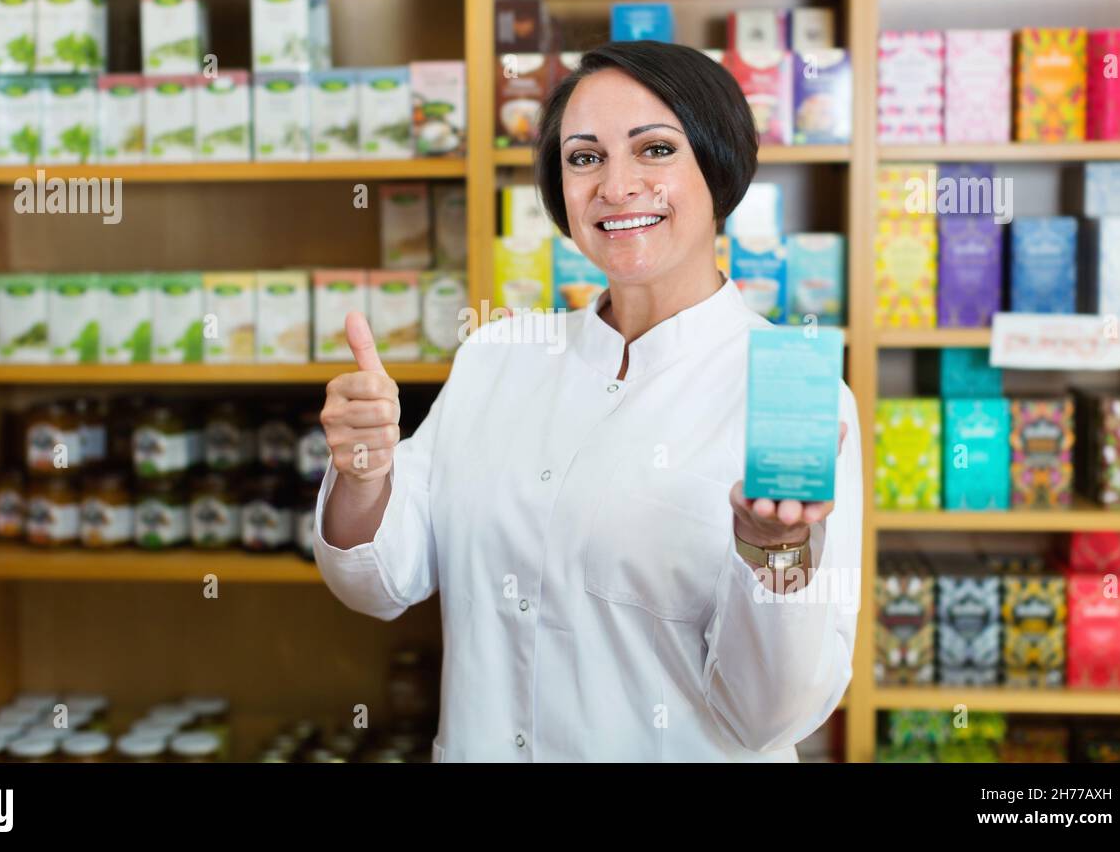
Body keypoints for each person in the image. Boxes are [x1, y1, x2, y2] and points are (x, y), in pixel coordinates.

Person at [315, 40, 861, 762]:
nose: (617, 185)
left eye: (656, 149)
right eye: (584, 157)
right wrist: (363, 472)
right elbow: (382, 582)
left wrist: (775, 554)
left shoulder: (789, 391)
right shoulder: (495, 357)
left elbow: (773, 717)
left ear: (719, 165)